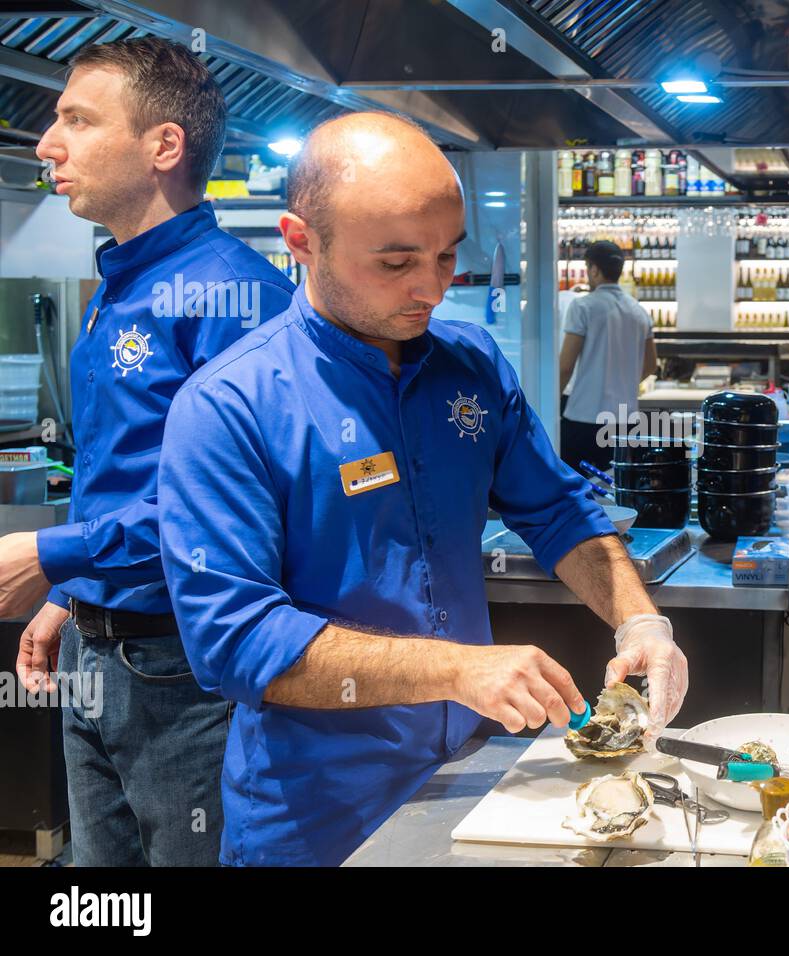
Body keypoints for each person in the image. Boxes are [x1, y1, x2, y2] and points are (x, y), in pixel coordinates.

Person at [156, 112, 688, 866]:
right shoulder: (228, 407)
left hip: (469, 776)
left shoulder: (468, 364)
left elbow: (557, 508)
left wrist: (641, 623)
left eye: (446, 256)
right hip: (316, 813)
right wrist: (457, 667)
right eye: (398, 262)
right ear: (300, 239)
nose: (432, 288)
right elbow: (233, 641)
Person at [6, 37, 295, 866]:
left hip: (183, 667)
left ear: (163, 146)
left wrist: (51, 552)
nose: (46, 144)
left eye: (76, 120)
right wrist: (71, 590)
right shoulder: (119, 283)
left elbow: (231, 504)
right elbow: (128, 475)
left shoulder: (237, 298)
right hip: (95, 653)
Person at [557, 240, 656, 472]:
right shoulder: (639, 312)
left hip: (585, 419)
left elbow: (565, 366)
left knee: (579, 492)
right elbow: (651, 365)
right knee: (617, 491)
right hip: (626, 420)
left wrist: (550, 403)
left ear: (593, 269)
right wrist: (621, 383)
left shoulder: (583, 307)